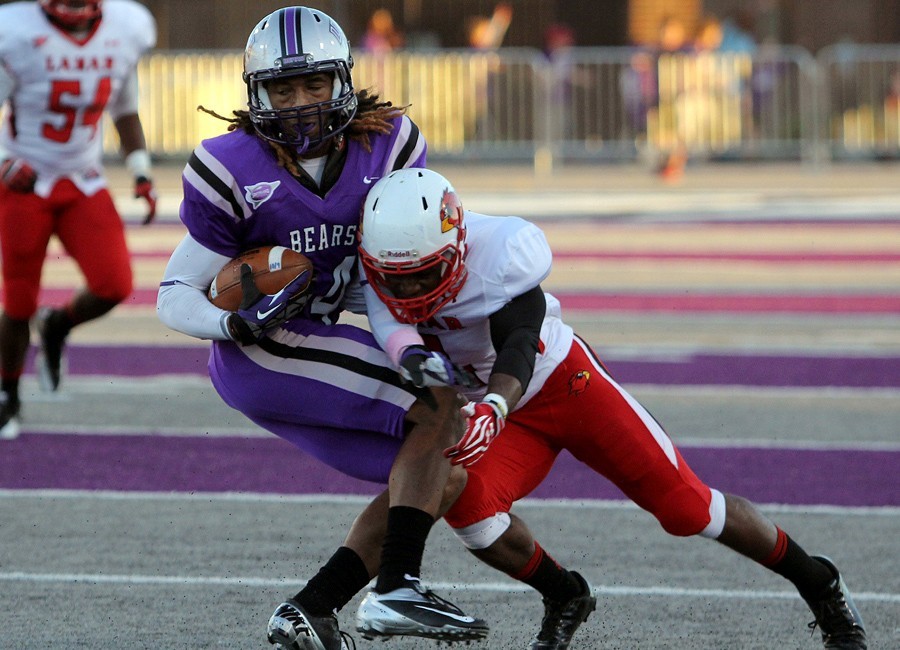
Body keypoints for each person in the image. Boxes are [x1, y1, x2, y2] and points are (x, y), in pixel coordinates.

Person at [354, 168, 868, 650]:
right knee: (471, 513)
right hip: (494, 409)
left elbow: (518, 342)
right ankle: (564, 593)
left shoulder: (503, 254)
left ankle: (818, 583)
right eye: (393, 278)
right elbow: (388, 332)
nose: (408, 291)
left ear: (458, 246)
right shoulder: (379, 278)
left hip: (562, 385)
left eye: (423, 275)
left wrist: (492, 405)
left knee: (688, 509)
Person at [155, 7, 488, 649]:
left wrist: (414, 341)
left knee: (436, 476)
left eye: (313, 85)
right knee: (438, 407)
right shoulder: (231, 167)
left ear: (344, 81)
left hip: (314, 345)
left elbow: (380, 281)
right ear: (256, 94)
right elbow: (173, 293)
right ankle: (397, 591)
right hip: (263, 352)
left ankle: (312, 608)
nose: (301, 102)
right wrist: (236, 321)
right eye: (283, 88)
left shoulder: (387, 145)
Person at [0, 0, 157, 440]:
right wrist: (4, 164)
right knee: (18, 301)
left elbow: (125, 109)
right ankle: (6, 392)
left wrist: (141, 171)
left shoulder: (124, 27)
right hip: (24, 181)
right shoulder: (16, 32)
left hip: (83, 180)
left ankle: (57, 324)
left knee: (115, 284)